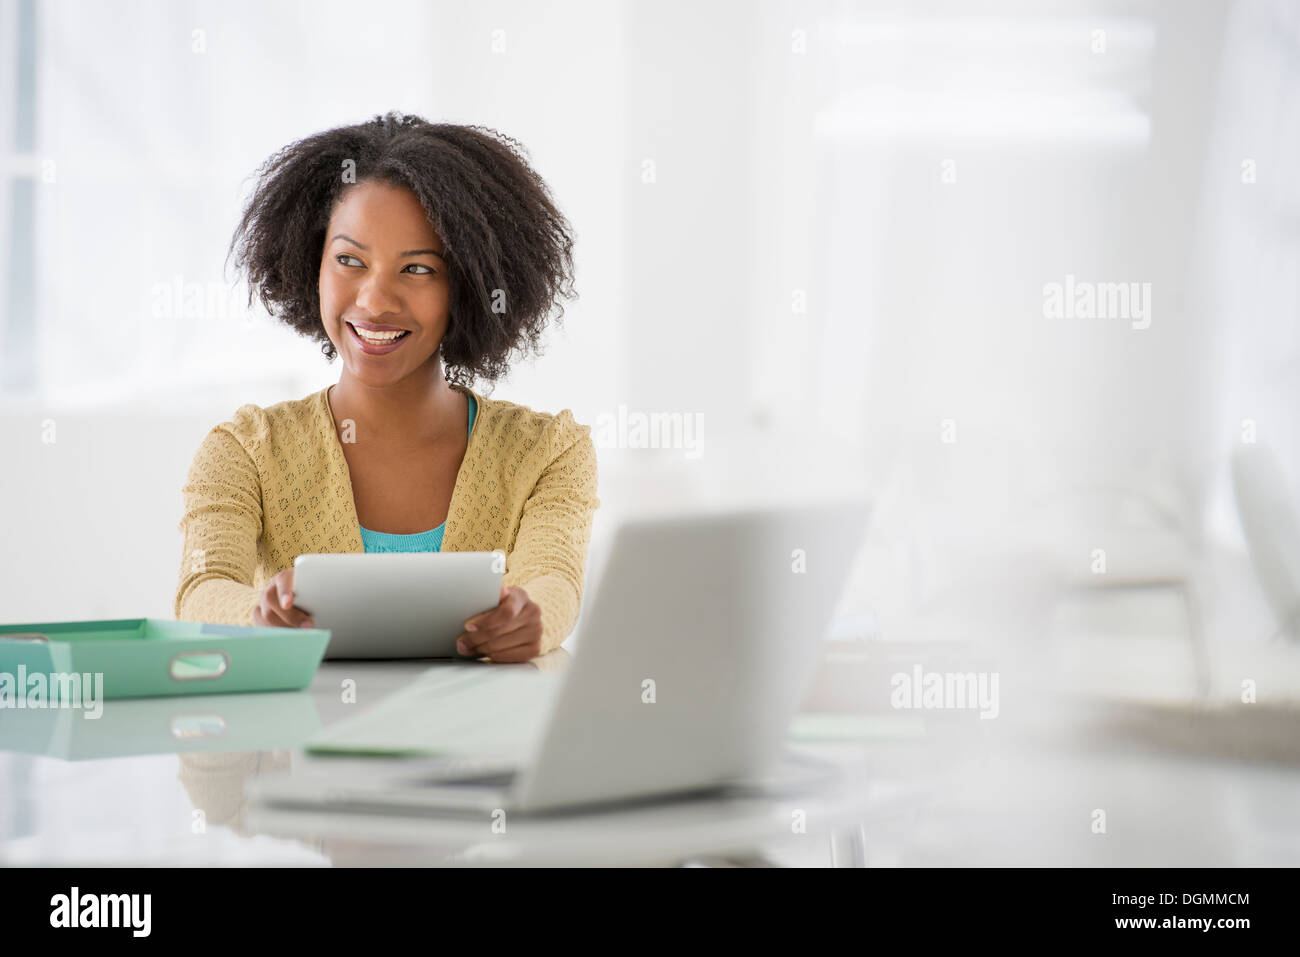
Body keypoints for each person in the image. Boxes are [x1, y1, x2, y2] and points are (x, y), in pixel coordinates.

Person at [173, 113, 598, 663]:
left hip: (483, 745)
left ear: (469, 286)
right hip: (299, 743)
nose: (375, 302)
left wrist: (529, 621)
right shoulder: (245, 451)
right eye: (349, 260)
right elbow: (201, 589)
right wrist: (257, 616)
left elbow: (554, 580)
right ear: (312, 266)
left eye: (418, 270)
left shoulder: (547, 452)